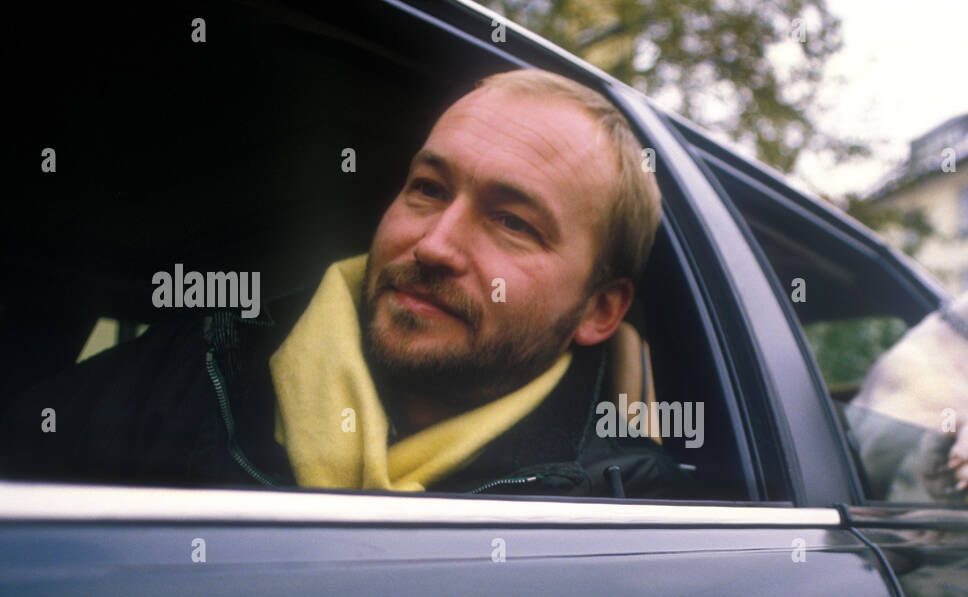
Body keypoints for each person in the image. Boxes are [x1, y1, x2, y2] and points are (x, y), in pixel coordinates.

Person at [0, 69, 694, 499]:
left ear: (600, 310)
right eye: (427, 188)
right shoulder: (200, 363)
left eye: (511, 221)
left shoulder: (634, 511)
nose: (435, 244)